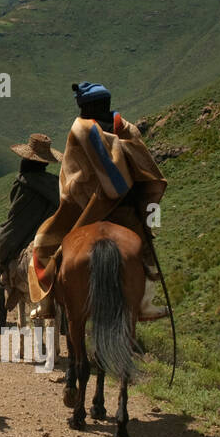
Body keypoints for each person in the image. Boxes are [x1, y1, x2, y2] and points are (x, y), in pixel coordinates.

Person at [28, 82, 168, 321]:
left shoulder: (80, 129)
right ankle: (145, 303)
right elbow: (145, 169)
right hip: (127, 207)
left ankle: (47, 302)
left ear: (87, 107)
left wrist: (91, 190)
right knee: (145, 249)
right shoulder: (127, 129)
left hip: (84, 208)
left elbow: (72, 175)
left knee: (44, 243)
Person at [0, 133, 63, 327]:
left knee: (0, 242)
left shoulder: (22, 182)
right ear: (45, 162)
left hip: (25, 232)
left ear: (26, 159)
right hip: (52, 233)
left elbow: (16, 216)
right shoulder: (55, 183)